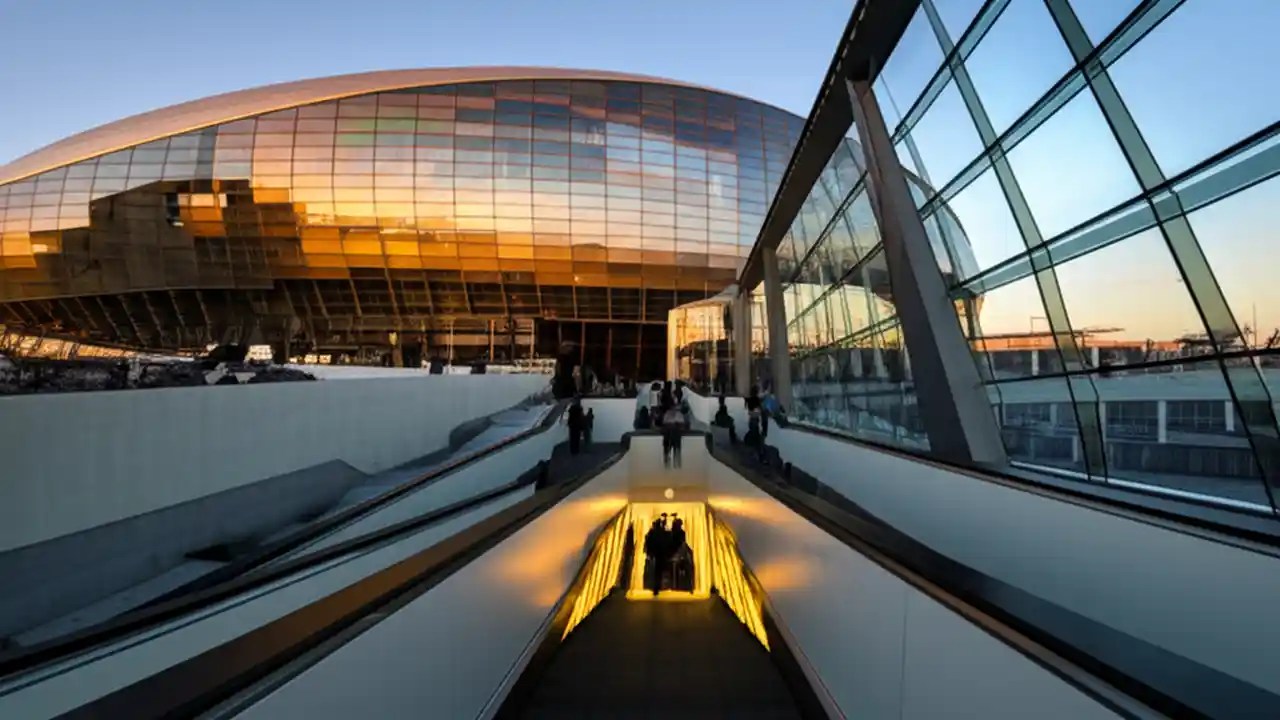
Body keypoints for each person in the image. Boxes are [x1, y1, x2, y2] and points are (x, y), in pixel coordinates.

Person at [669, 516, 693, 592]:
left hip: (676, 553)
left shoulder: (676, 533)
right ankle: (677, 585)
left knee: (675, 570)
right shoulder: (678, 533)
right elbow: (681, 543)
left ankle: (676, 586)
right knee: (676, 570)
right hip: (676, 553)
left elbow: (681, 543)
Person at [662, 399, 685, 468]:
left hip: (673, 436)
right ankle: (673, 465)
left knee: (673, 451)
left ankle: (670, 465)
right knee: (673, 451)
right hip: (672, 436)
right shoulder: (676, 414)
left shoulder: (673, 414)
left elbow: (665, 424)